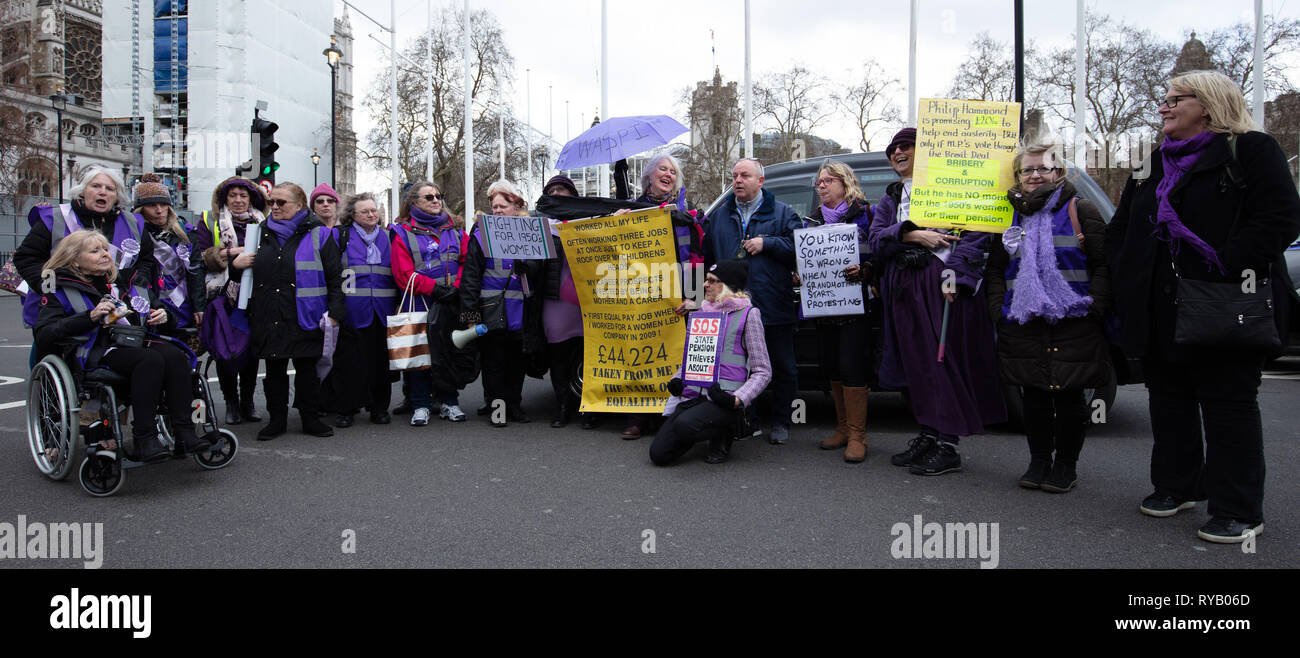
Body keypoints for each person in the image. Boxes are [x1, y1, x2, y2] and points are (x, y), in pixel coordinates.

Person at [1104, 70, 1300, 543]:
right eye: (1165, 100)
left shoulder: (1250, 149)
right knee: (1168, 400)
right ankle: (1177, 485)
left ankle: (1238, 509)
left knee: (1228, 404)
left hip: (1224, 302)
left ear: (1210, 104)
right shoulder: (1151, 163)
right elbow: (1124, 228)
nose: (1164, 107)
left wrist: (1226, 265)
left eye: (1176, 99)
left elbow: (1280, 219)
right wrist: (1123, 275)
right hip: (1160, 307)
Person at [867, 128, 1005, 475]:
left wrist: (956, 276)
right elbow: (876, 238)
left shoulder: (954, 189)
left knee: (942, 361)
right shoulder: (892, 196)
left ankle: (948, 443)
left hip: (939, 284)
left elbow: (978, 233)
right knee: (917, 365)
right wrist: (911, 233)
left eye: (905, 146)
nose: (897, 152)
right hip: (902, 285)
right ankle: (928, 432)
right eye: (892, 149)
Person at [985, 143, 1111, 493]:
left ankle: (1065, 467)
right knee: (1034, 396)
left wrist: (1095, 307)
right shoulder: (1005, 216)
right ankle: (1039, 461)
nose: (1036, 174)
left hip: (1074, 320)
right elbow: (995, 269)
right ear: (1018, 177)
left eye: (1044, 168)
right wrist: (1000, 309)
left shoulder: (1080, 209)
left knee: (1070, 398)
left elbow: (1103, 264)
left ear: (1059, 173)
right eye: (1028, 170)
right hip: (1022, 319)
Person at [33, 230, 209, 460]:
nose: (105, 254)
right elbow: (45, 333)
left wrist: (165, 315)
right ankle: (145, 438)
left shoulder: (126, 281)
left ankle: (185, 432)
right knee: (151, 360)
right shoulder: (59, 288)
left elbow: (165, 315)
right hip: (96, 350)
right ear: (74, 259)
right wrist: (90, 316)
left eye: (105, 249)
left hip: (136, 341)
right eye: (95, 251)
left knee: (176, 356)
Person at [700, 158, 800, 445]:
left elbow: (798, 249)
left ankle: (781, 422)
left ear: (761, 181)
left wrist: (767, 243)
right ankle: (748, 420)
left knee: (783, 367)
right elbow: (705, 260)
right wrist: (700, 298)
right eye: (734, 175)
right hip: (731, 309)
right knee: (738, 367)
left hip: (772, 304)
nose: (738, 180)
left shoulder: (782, 213)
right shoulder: (719, 217)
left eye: (745, 175)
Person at [242, 182, 346, 439]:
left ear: (299, 206)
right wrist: (236, 264)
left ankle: (309, 418)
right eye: (271, 203)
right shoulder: (258, 233)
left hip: (306, 314)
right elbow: (246, 273)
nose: (274, 207)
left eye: (281, 203)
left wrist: (335, 312)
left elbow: (335, 277)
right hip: (270, 313)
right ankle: (277, 420)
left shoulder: (319, 234)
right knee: (275, 370)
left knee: (307, 370)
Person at [650, 260, 771, 465]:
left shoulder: (749, 315)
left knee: (685, 425)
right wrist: (677, 380)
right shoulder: (699, 314)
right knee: (659, 455)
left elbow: (763, 371)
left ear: (728, 287)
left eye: (711, 281)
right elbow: (692, 359)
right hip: (693, 395)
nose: (705, 284)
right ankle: (703, 427)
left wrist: (736, 400)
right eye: (706, 279)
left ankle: (727, 429)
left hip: (724, 399)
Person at [14, 166, 158, 335]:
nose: (102, 192)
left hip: (120, 307)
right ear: (82, 191)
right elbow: (27, 258)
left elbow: (146, 260)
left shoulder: (134, 223)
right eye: (95, 186)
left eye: (109, 188)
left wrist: (137, 284)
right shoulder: (56, 218)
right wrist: (52, 288)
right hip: (64, 305)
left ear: (117, 196)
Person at [805, 161, 875, 463]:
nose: (821, 185)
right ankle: (843, 428)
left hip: (856, 305)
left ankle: (859, 435)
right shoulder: (812, 221)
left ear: (844, 183)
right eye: (818, 182)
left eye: (827, 180)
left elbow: (880, 254)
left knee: (852, 365)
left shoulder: (865, 214)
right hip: (824, 305)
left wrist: (867, 269)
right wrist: (801, 273)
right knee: (832, 364)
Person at [460, 180, 541, 428]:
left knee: (516, 362)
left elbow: (541, 267)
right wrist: (469, 313)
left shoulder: (530, 232)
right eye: (494, 206)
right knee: (493, 362)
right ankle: (498, 410)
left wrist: (529, 267)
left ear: (517, 206)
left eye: (502, 206)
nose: (497, 211)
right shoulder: (479, 234)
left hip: (520, 311)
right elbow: (471, 276)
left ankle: (514, 405)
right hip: (490, 310)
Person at [391, 182, 471, 426]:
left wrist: (456, 287)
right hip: (419, 302)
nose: (436, 200)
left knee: (447, 354)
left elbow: (467, 262)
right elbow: (402, 273)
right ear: (414, 202)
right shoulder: (402, 232)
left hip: (450, 304)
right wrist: (434, 288)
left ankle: (449, 401)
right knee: (419, 357)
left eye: (438, 196)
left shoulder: (456, 230)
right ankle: (420, 405)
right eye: (429, 197)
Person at [193, 176, 266, 425]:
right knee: (227, 352)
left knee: (251, 352)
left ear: (251, 198)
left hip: (256, 293)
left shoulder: (263, 221)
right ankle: (231, 403)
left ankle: (248, 402)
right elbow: (201, 256)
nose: (238, 200)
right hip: (224, 295)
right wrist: (233, 253)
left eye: (243, 196)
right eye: (232, 195)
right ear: (224, 198)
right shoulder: (210, 220)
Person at [331, 192, 399, 427]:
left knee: (380, 364)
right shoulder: (340, 237)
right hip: (352, 311)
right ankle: (346, 409)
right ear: (353, 215)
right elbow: (333, 274)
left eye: (374, 210)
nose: (371, 214)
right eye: (365, 211)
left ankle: (379, 408)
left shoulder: (390, 237)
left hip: (383, 311)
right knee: (349, 364)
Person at [537, 175, 584, 428]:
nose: (557, 193)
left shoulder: (588, 221)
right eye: (552, 190)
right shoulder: (541, 225)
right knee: (558, 355)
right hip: (556, 302)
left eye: (562, 189)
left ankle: (591, 409)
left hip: (586, 301)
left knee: (590, 355)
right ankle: (563, 406)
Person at [133, 173, 205, 334]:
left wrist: (199, 306)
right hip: (151, 305)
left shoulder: (186, 233)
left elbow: (196, 271)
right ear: (141, 209)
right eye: (152, 205)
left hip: (182, 306)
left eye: (163, 204)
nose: (159, 210)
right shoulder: (136, 235)